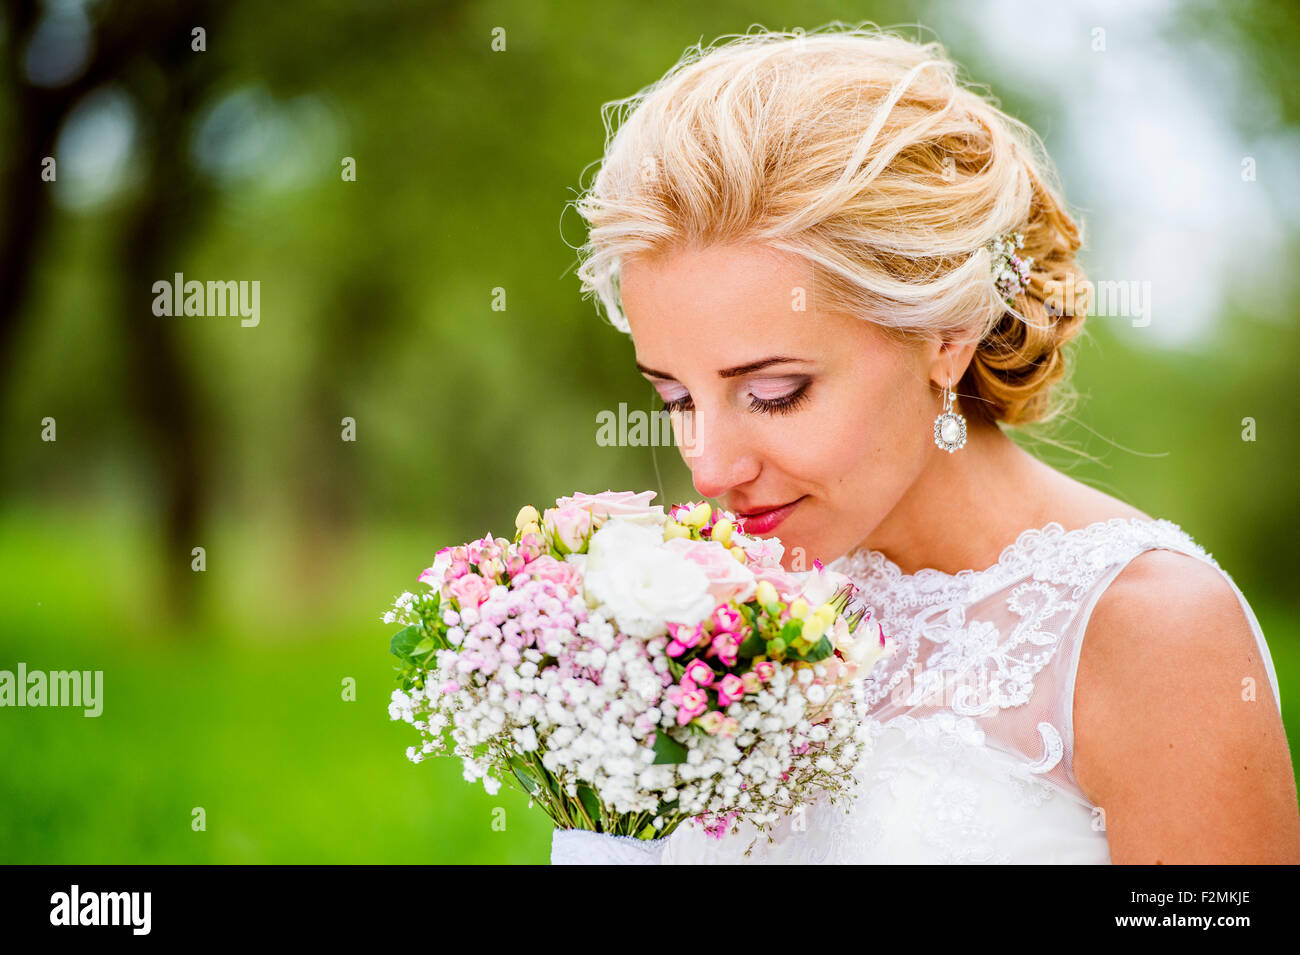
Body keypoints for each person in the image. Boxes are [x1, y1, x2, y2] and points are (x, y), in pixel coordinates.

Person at [570, 24, 1300, 863]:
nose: (709, 467)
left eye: (775, 393)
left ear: (946, 332)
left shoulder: (1154, 634)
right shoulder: (713, 611)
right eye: (673, 395)